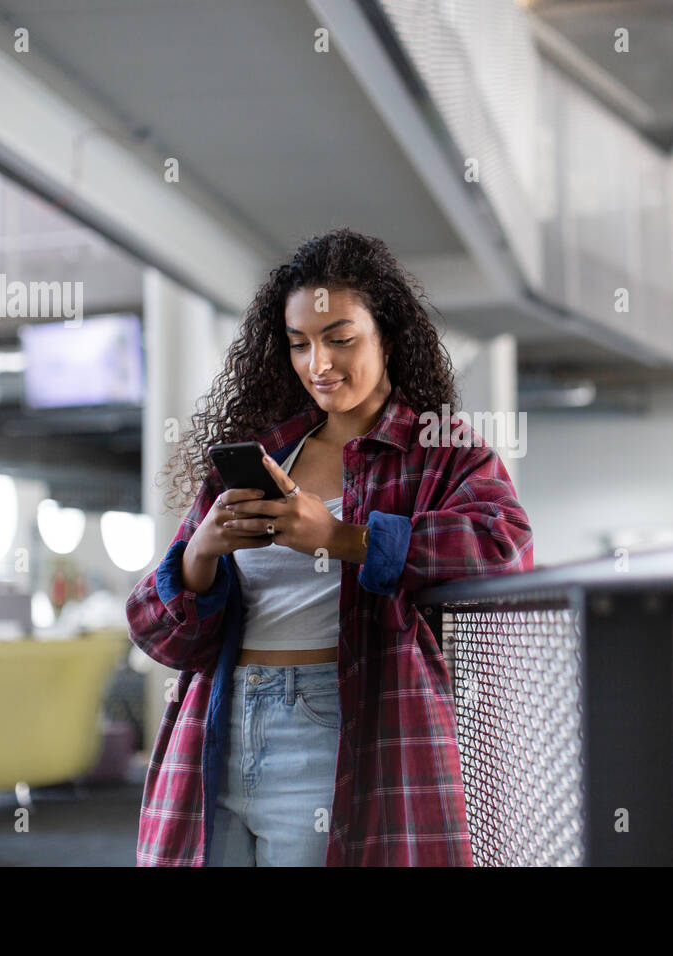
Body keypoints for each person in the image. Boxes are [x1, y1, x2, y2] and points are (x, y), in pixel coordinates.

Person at [125, 227, 533, 865]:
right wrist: (200, 554)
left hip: (337, 727)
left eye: (340, 338)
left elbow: (502, 547)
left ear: (387, 336)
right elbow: (156, 634)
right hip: (218, 723)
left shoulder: (443, 452)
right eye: (299, 344)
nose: (319, 362)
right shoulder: (267, 452)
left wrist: (342, 538)